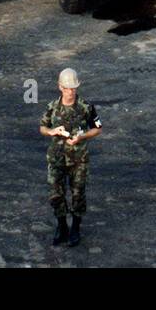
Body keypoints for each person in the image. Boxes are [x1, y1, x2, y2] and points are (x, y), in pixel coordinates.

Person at [39, 67, 101, 247]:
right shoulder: (52, 107)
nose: (70, 92)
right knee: (55, 194)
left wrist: (82, 137)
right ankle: (61, 226)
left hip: (78, 159)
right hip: (57, 158)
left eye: (73, 88)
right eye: (67, 88)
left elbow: (98, 128)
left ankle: (75, 228)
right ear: (60, 87)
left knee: (78, 194)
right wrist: (51, 131)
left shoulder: (86, 107)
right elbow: (42, 127)